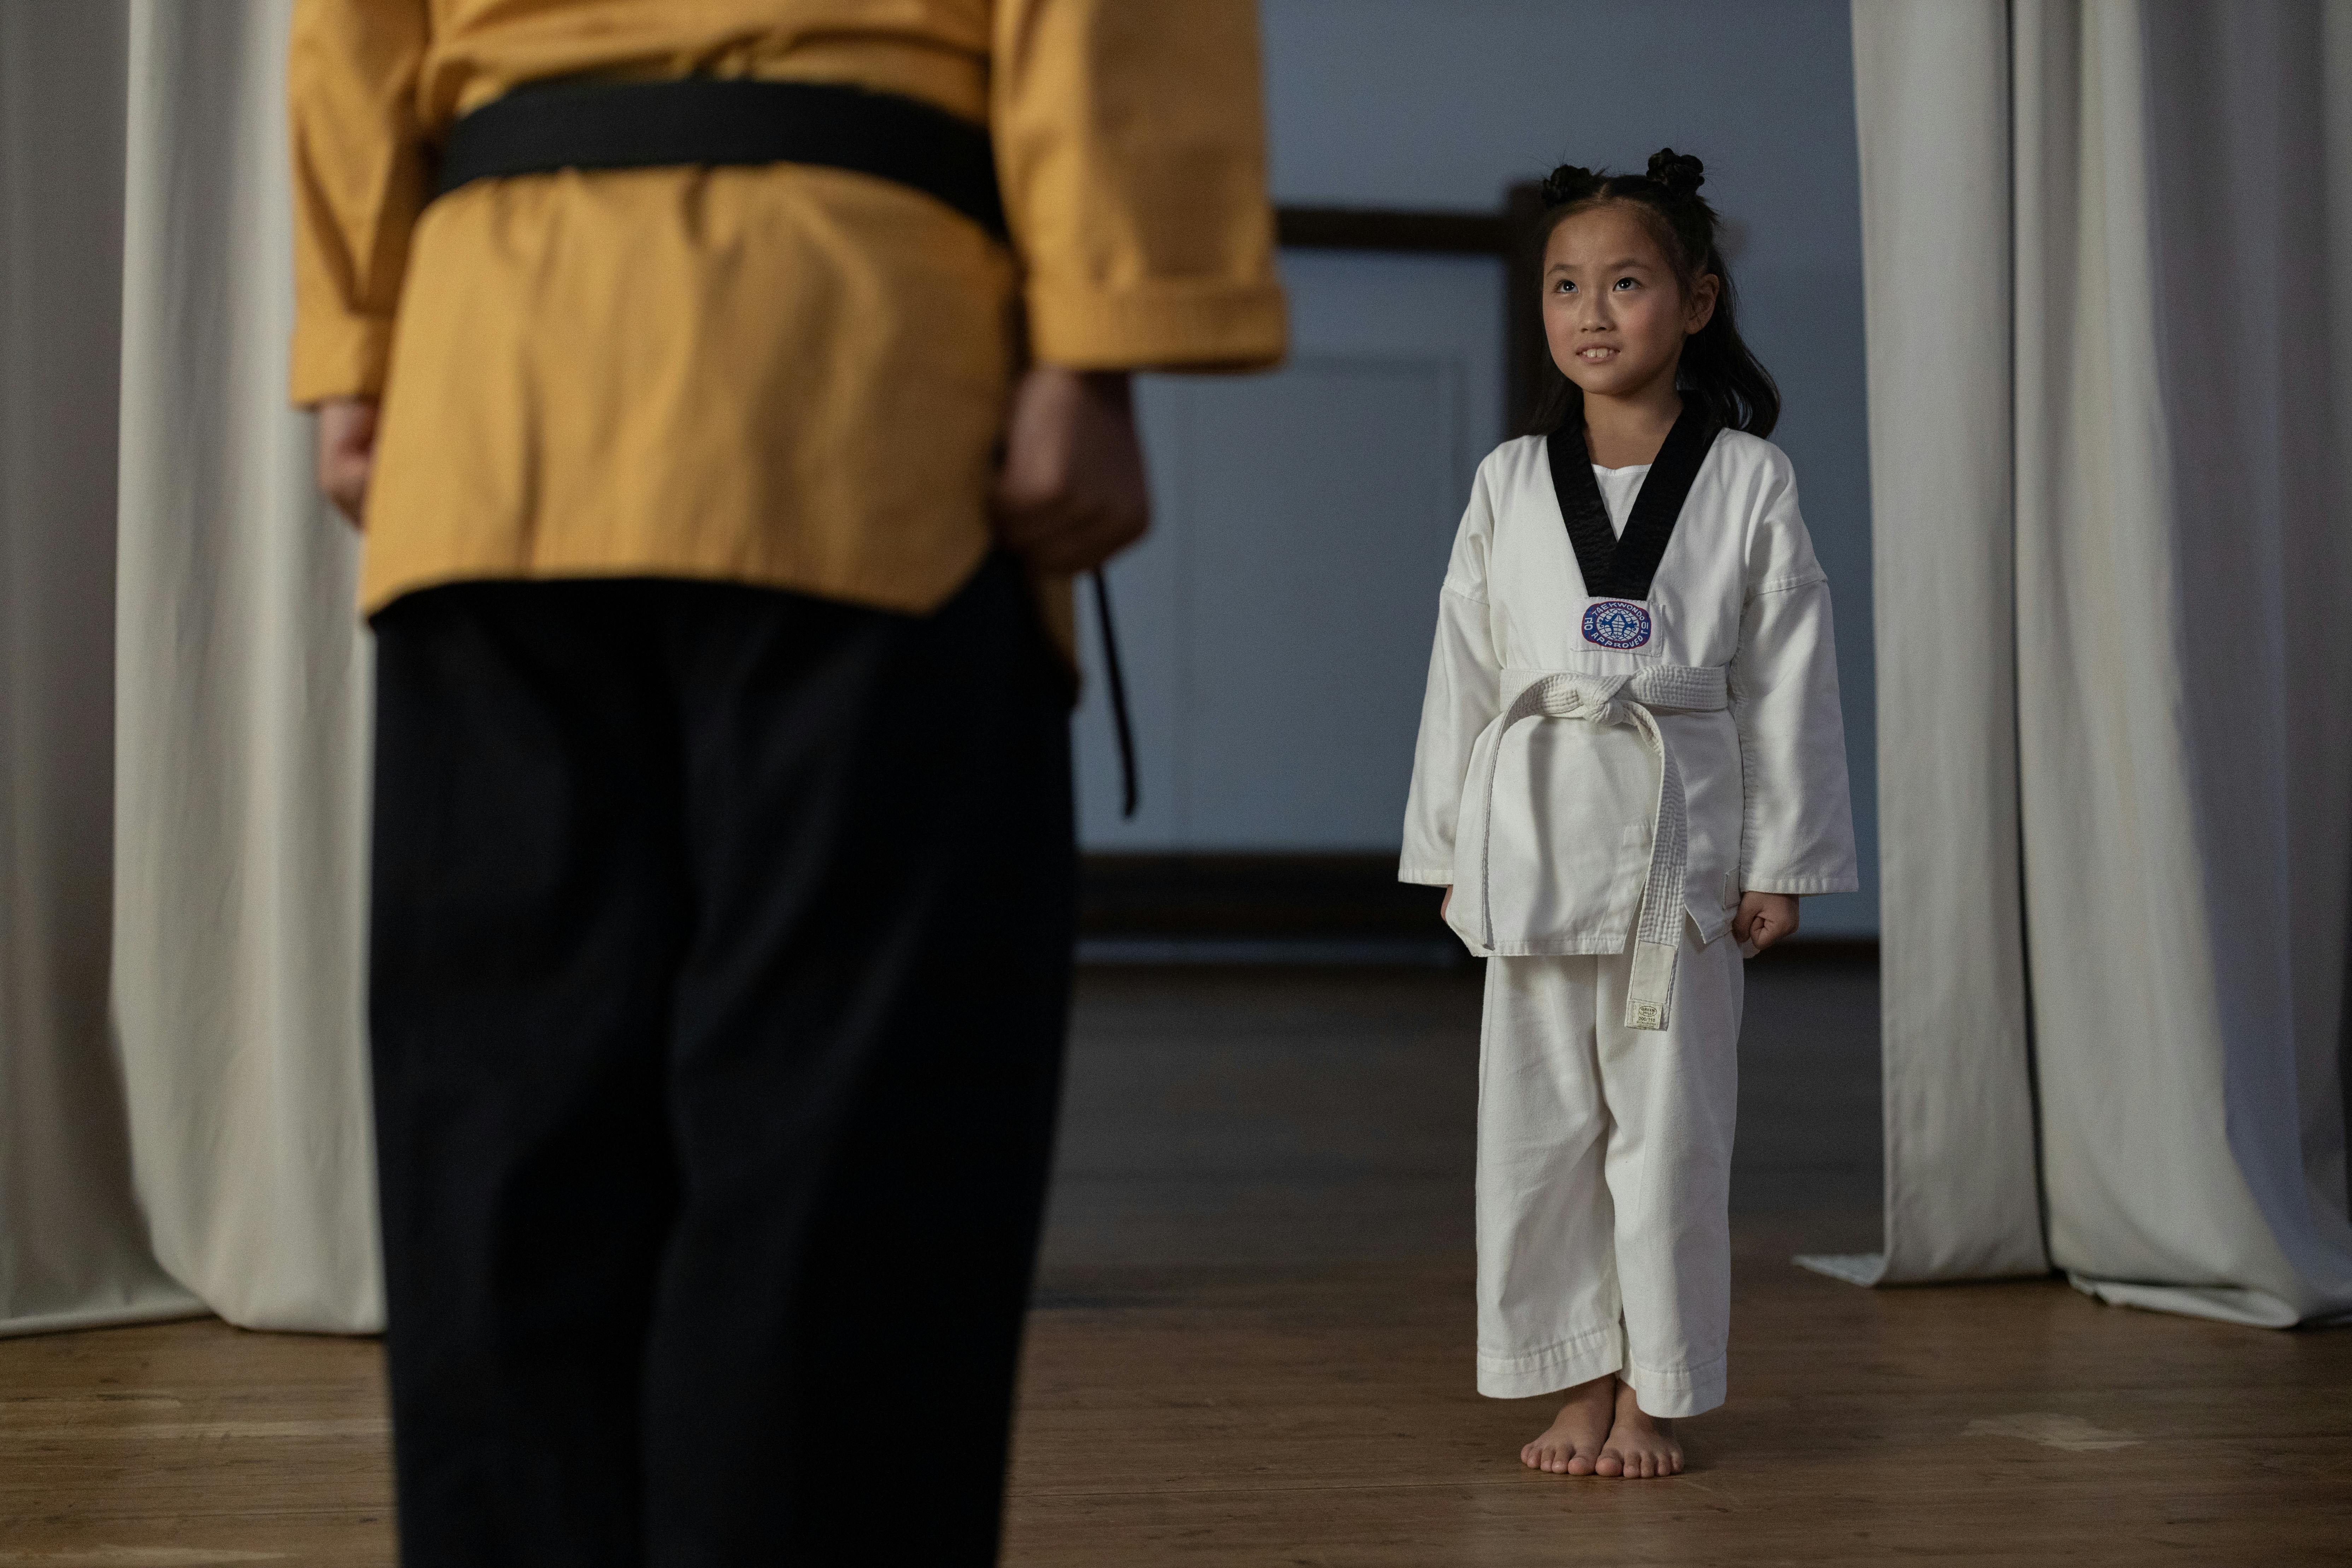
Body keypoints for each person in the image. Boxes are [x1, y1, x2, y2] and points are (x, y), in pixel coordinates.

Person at [286, 4, 1284, 1562]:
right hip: (854, 383)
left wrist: (357, 336)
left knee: (503, 1152)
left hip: (494, 399)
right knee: (840, 1163)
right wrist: (1106, 335)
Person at [1399, 150, 1856, 1479]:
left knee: (1669, 1143)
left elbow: (1788, 676)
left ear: (1698, 303)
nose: (1592, 312)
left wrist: (1784, 863)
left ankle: (1656, 1392)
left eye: (1628, 283)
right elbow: (1465, 676)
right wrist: (1449, 850)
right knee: (1539, 1139)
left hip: (1680, 859)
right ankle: (1575, 1380)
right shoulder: (1506, 479)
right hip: (1535, 842)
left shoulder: (1749, 481)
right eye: (1564, 287)